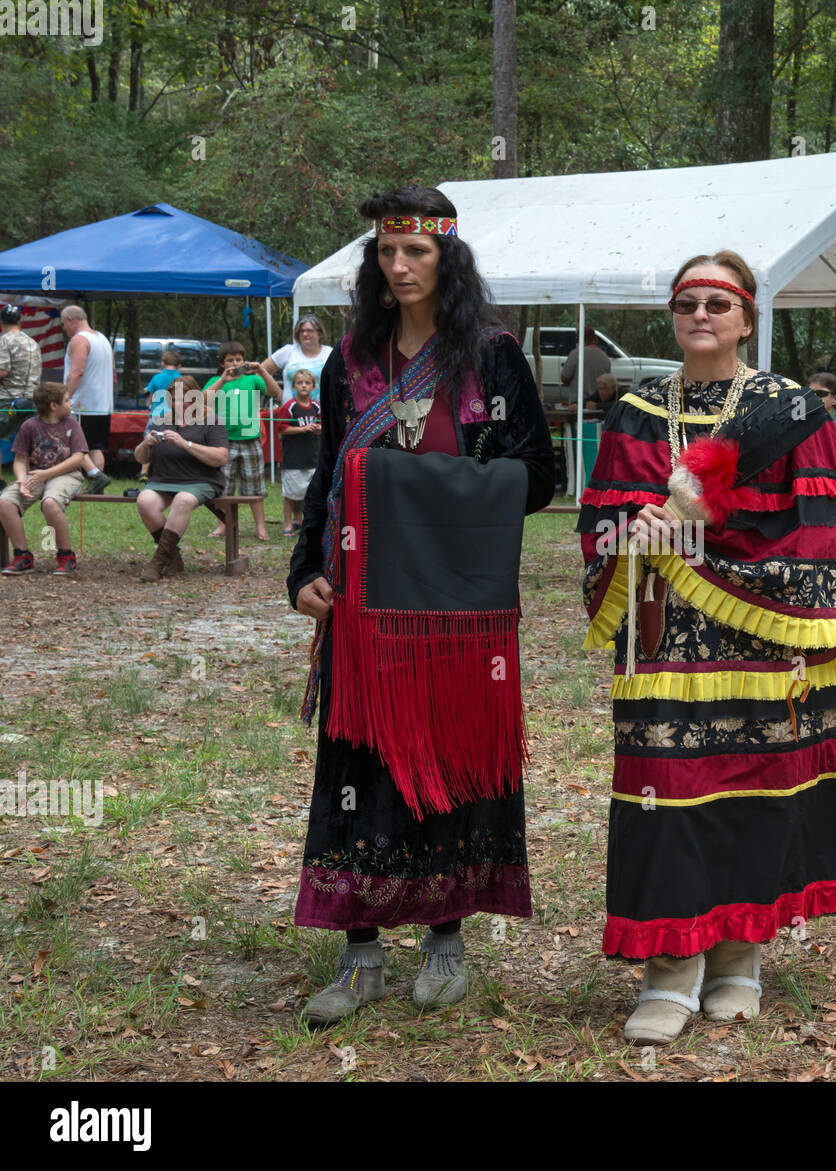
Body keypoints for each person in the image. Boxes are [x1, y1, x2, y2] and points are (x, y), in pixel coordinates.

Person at [577, 249, 836, 1046]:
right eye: (688, 303)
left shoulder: (791, 409)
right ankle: (669, 971)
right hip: (667, 640)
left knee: (755, 791)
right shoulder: (638, 410)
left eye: (719, 304)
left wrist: (717, 534)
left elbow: (833, 528)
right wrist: (635, 532)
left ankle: (736, 960)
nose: (702, 316)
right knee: (669, 793)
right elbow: (597, 524)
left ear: (748, 317)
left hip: (761, 637)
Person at [286, 184, 554, 1025]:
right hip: (361, 599)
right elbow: (329, 474)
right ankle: (360, 952)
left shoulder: (493, 358)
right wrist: (302, 571)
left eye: (417, 252)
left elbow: (537, 477)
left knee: (442, 763)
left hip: (451, 603)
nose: (399, 267)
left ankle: (445, 936)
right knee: (357, 766)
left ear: (448, 257)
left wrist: (404, 486)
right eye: (386, 253)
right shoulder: (350, 361)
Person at [134, 375, 230, 581]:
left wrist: (185, 444)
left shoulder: (211, 420)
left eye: (183, 398)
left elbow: (221, 457)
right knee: (145, 501)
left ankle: (158, 561)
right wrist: (145, 444)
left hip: (200, 480)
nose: (178, 403)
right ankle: (172, 557)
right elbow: (140, 457)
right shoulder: (162, 419)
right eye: (174, 398)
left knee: (183, 500)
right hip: (163, 479)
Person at [0, 382, 88, 576]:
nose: (71, 403)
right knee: (5, 502)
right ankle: (22, 555)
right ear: (53, 405)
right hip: (36, 475)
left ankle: (66, 555)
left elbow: (78, 458)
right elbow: (20, 460)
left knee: (50, 503)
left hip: (66, 475)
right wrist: (22, 480)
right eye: (67, 400)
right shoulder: (29, 426)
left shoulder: (72, 424)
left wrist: (46, 474)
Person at [204, 341, 277, 542]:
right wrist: (222, 381)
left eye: (239, 359)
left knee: (255, 487)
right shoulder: (215, 380)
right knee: (223, 486)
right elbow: (202, 401)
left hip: (250, 439)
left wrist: (262, 370)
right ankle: (223, 525)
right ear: (222, 363)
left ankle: (260, 528)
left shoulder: (252, 379)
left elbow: (274, 393)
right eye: (230, 360)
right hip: (223, 441)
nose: (235, 363)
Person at [59, 306, 114, 494]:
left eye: (63, 323)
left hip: (82, 404)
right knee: (95, 447)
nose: (64, 328)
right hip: (102, 404)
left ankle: (93, 477)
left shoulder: (79, 340)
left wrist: (63, 398)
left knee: (76, 445)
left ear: (71, 319)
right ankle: (98, 484)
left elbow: (76, 372)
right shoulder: (102, 339)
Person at [278, 369, 321, 535]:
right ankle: (288, 523)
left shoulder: (316, 406)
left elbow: (321, 425)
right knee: (290, 493)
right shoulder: (290, 406)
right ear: (294, 386)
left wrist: (317, 429)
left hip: (312, 457)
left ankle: (301, 520)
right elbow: (282, 428)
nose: (303, 386)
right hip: (293, 458)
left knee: (306, 492)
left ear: (313, 386)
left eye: (307, 383)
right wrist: (302, 429)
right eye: (300, 383)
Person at [258, 314, 332, 406]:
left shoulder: (329, 353)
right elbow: (259, 371)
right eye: (302, 331)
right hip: (290, 415)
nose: (305, 334)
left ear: (319, 333)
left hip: (321, 416)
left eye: (309, 330)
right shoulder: (288, 351)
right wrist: (278, 393)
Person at [140, 350, 184, 482]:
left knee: (149, 441)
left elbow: (152, 397)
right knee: (172, 442)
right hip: (175, 414)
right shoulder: (181, 378)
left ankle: (143, 472)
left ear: (162, 363)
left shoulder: (156, 378)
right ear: (179, 365)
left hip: (156, 414)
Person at [0, 304, 42, 407]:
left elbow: (2, 371)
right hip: (33, 400)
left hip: (8, 400)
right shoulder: (33, 342)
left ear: (1, 322)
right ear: (19, 322)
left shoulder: (3, 341)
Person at [560, 327, 611, 408]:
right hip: (595, 405)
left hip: (576, 404)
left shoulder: (576, 354)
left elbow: (564, 378)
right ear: (595, 339)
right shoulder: (605, 357)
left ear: (581, 339)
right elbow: (607, 382)